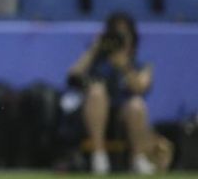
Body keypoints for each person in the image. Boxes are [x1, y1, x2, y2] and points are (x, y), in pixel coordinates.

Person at [68, 13, 171, 175]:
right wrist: (94, 48)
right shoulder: (97, 62)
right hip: (92, 115)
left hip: (123, 117)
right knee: (97, 92)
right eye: (115, 34)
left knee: (136, 105)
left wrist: (125, 66)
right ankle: (99, 156)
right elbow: (72, 75)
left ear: (132, 38)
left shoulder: (140, 65)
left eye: (124, 34)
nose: (120, 39)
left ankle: (138, 159)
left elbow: (140, 88)